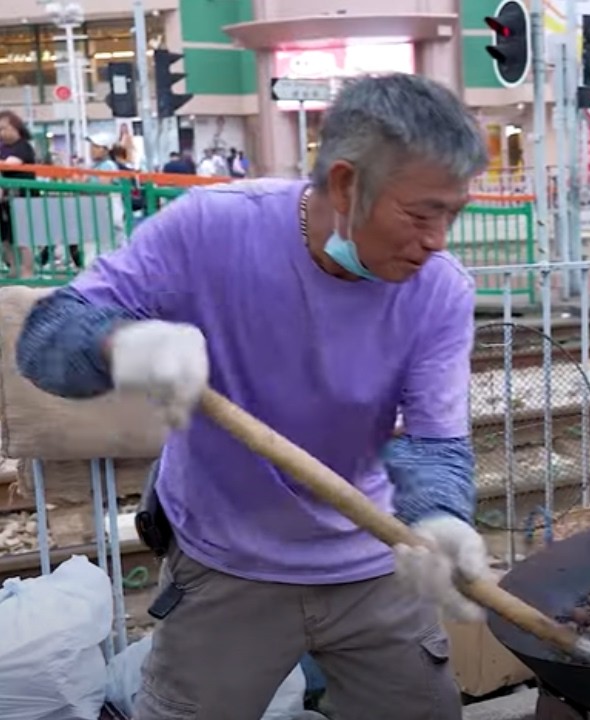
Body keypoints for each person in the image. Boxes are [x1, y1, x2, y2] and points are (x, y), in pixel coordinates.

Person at [16, 73, 490, 720]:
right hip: (224, 564)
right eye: (421, 212)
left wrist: (441, 516)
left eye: (452, 214)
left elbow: (435, 443)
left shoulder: (439, 291)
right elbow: (46, 336)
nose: (438, 239)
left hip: (374, 566)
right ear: (347, 184)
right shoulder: (212, 230)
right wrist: (116, 344)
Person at [0, 110, 37, 279]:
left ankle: (27, 271)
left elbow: (10, 165)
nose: (2, 133)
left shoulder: (23, 146)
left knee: (23, 236)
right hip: (6, 198)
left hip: (23, 197)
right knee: (7, 237)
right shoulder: (2, 147)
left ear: (16, 128)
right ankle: (13, 268)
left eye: (5, 128)